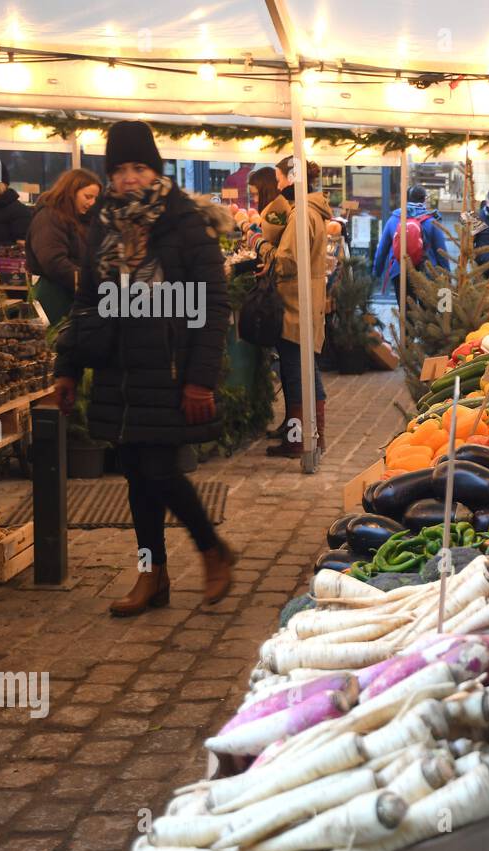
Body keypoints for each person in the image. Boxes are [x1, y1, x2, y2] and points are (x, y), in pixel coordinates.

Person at [52, 120, 234, 616]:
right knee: (135, 475)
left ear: (155, 170)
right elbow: (88, 300)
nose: (130, 178)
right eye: (120, 170)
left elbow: (212, 304)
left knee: (159, 469)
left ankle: (210, 547)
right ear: (108, 176)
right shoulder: (103, 226)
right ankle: (152, 574)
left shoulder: (183, 222)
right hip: (118, 372)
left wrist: (200, 379)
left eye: (139, 167)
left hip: (170, 372)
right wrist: (67, 367)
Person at [252, 156, 331, 458]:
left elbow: (287, 262)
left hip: (296, 303)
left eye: (279, 177)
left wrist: (260, 243)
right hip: (304, 299)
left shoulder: (301, 215)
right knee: (300, 370)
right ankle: (301, 432)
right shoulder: (309, 211)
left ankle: (301, 441)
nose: (277, 184)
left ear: (290, 179)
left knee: (298, 372)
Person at [25, 168, 101, 323]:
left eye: (95, 198)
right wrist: (88, 283)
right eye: (88, 196)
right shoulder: (49, 216)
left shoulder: (82, 220)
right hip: (54, 297)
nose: (92, 203)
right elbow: (52, 260)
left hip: (75, 295)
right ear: (70, 192)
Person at [373, 185, 449, 303]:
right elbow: (441, 252)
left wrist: (376, 271)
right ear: (424, 200)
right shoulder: (432, 221)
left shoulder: (394, 219)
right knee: (426, 313)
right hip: (426, 272)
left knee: (406, 312)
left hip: (400, 272)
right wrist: (447, 275)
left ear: (406, 199)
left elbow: (382, 249)